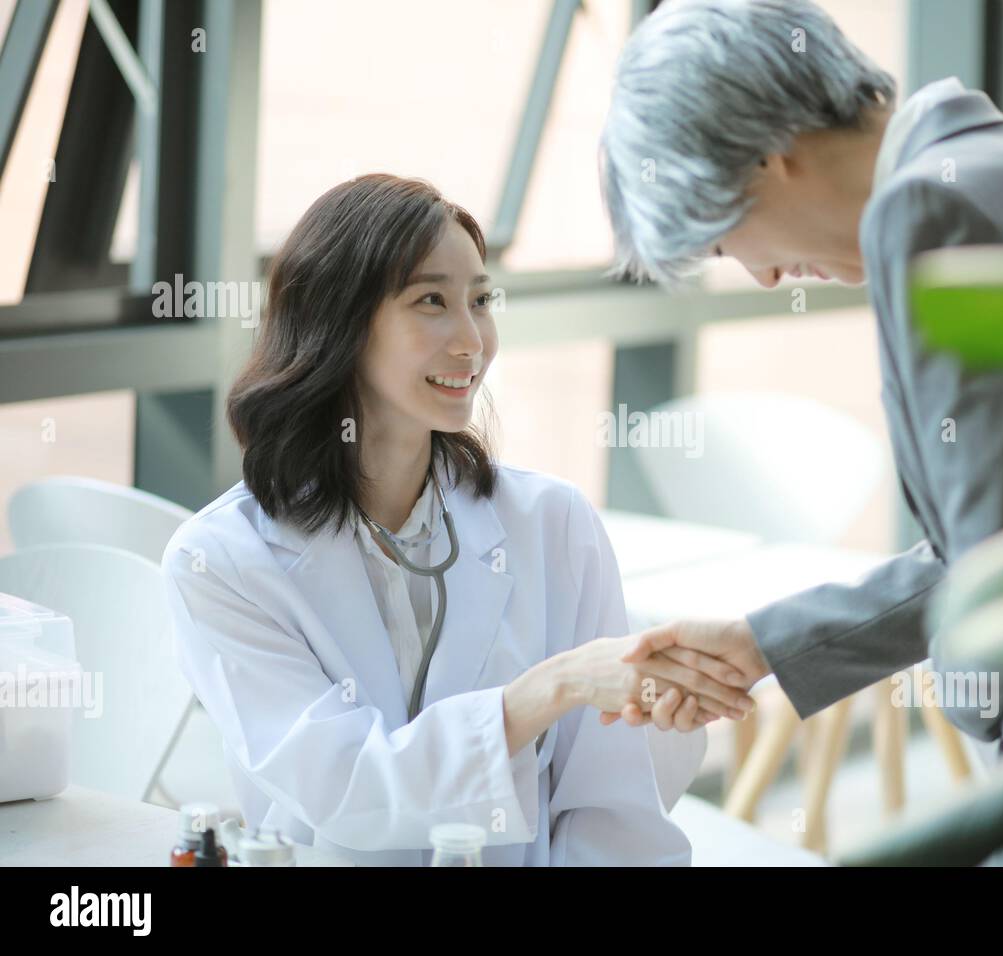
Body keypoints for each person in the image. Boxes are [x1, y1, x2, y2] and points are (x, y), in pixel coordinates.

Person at [594, 0, 1003, 863]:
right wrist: (761, 644)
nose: (763, 273)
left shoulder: (923, 215)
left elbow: (997, 567)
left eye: (720, 241)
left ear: (760, 156)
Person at [161, 174, 755, 866]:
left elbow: (613, 801)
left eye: (481, 300)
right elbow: (347, 787)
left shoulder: (552, 524)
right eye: (431, 302)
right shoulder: (221, 561)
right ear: (339, 324)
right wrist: (551, 687)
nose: (472, 341)